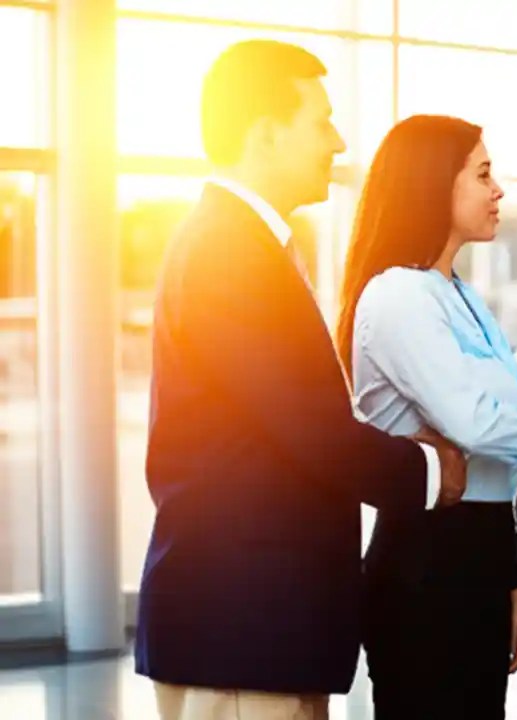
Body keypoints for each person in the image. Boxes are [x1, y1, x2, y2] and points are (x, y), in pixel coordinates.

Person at [135, 41, 467, 720]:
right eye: (320, 122)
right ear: (263, 134)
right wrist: (434, 471)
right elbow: (309, 430)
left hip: (254, 628)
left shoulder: (244, 243)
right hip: (241, 628)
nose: (338, 142)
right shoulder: (228, 252)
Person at [334, 114, 517, 720]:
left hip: (476, 555)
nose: (498, 190)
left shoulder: (460, 297)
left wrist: (511, 574)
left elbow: (502, 432)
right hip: (426, 567)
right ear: (432, 185)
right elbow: (479, 422)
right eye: (483, 174)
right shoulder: (398, 295)